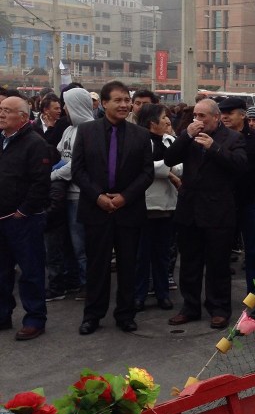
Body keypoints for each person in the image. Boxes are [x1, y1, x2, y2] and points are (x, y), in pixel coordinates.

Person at [72, 80, 154, 335]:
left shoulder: (140, 134)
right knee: (97, 266)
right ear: (104, 103)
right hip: (96, 209)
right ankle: (93, 315)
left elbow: (146, 173)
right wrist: (98, 197)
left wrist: (123, 198)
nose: (124, 105)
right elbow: (78, 170)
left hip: (128, 210)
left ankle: (125, 314)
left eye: (126, 100)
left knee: (128, 265)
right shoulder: (86, 131)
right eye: (117, 100)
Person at [164, 98, 247, 329]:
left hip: (218, 209)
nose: (197, 121)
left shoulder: (233, 138)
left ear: (216, 117)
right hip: (190, 208)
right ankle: (189, 307)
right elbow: (170, 158)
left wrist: (214, 148)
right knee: (189, 262)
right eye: (195, 116)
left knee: (217, 263)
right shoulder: (188, 135)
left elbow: (240, 166)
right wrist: (185, 136)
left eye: (202, 117)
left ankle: (219, 308)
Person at [0, 95, 52, 341]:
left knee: (31, 271)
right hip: (2, 217)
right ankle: (2, 314)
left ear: (22, 117)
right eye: (1, 109)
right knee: (1, 271)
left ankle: (34, 319)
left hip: (23, 219)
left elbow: (41, 183)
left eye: (7, 111)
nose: (1, 114)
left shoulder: (34, 143)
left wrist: (24, 211)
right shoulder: (2, 140)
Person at [49, 86, 96, 298]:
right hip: (65, 195)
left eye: (67, 103)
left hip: (80, 196)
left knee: (81, 246)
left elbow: (76, 164)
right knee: (68, 244)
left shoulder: (91, 130)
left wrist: (52, 176)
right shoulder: (68, 129)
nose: (64, 108)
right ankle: (74, 280)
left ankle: (89, 284)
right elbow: (60, 155)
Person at [134, 103, 181, 311]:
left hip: (167, 207)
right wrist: (167, 171)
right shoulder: (139, 141)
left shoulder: (170, 140)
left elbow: (180, 167)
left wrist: (165, 169)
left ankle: (162, 294)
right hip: (144, 206)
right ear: (152, 122)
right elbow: (140, 167)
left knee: (162, 255)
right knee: (141, 255)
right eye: (163, 117)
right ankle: (139, 295)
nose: (168, 121)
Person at [219, 96, 255, 297]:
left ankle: (254, 295)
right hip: (223, 201)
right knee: (220, 252)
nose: (225, 117)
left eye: (230, 113)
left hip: (251, 201)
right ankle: (220, 299)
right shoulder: (217, 137)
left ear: (243, 115)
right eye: (222, 113)